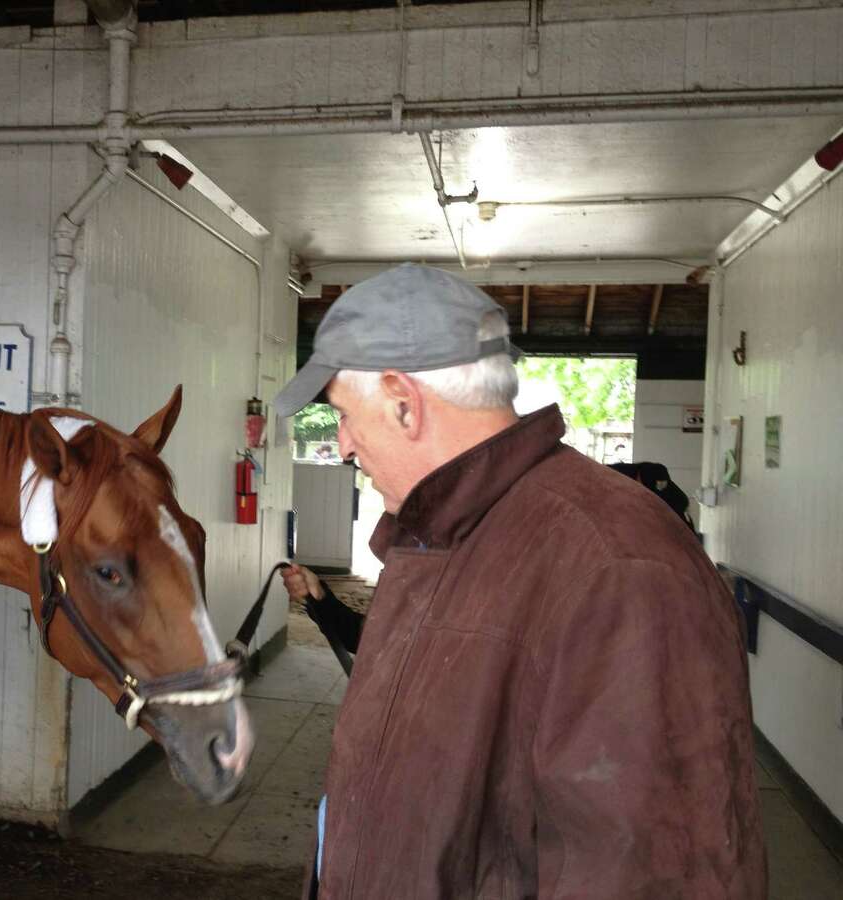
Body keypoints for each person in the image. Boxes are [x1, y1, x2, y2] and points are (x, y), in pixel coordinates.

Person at [273, 263, 764, 899]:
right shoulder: (436, 535)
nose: (341, 445)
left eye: (342, 414)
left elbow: (659, 874)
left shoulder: (619, 567)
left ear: (402, 401)